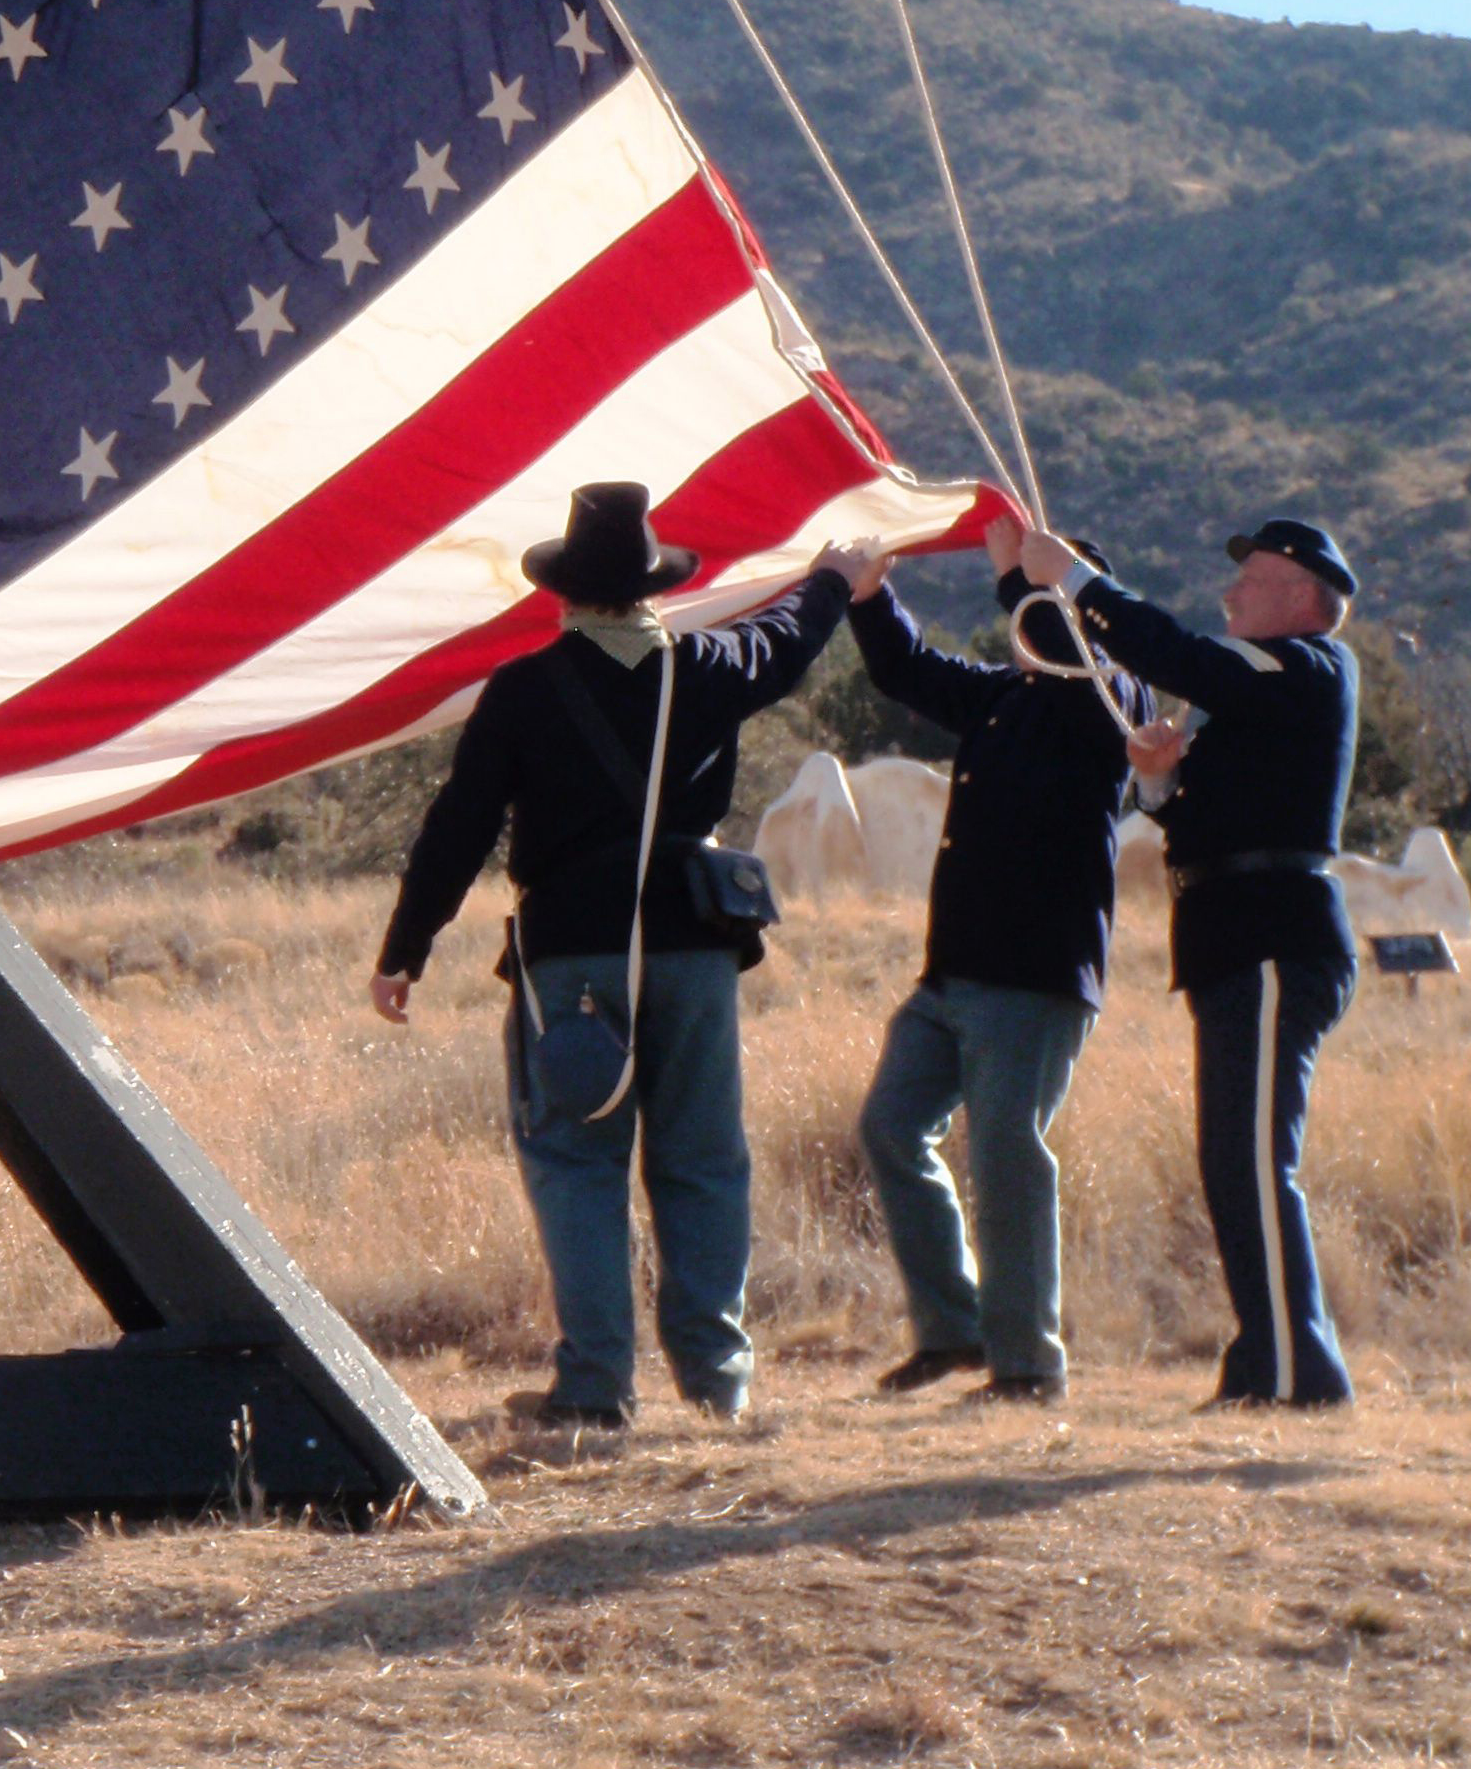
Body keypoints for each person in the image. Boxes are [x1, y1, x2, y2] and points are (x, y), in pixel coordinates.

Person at [370, 482, 868, 1428]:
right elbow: (792, 637)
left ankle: (597, 1387)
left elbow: (458, 829)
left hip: (571, 957)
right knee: (704, 1161)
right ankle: (719, 1383)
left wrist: (407, 949)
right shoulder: (714, 664)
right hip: (693, 947)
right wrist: (835, 577)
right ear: (651, 588)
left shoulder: (523, 689)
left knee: (576, 1164)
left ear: (566, 593)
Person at [1017, 508, 1363, 1408]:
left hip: (1271, 938)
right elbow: (1197, 819)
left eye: (1247, 581)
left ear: (1297, 595)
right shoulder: (1265, 690)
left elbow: (1179, 654)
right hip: (1239, 940)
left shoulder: (1304, 665)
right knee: (1234, 1163)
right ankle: (1271, 1362)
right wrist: (1162, 777)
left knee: (1250, 1163)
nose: (1229, 593)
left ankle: (1296, 1372)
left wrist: (1080, 586)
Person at [845, 514, 1141, 1405]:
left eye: (1054, 595)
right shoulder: (1003, 699)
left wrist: (1027, 579)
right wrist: (870, 597)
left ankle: (1028, 1365)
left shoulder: (1113, 690)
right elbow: (906, 669)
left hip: (1033, 978)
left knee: (1008, 1155)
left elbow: (1075, 657)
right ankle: (955, 1334)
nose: (1028, 610)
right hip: (952, 976)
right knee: (892, 1129)